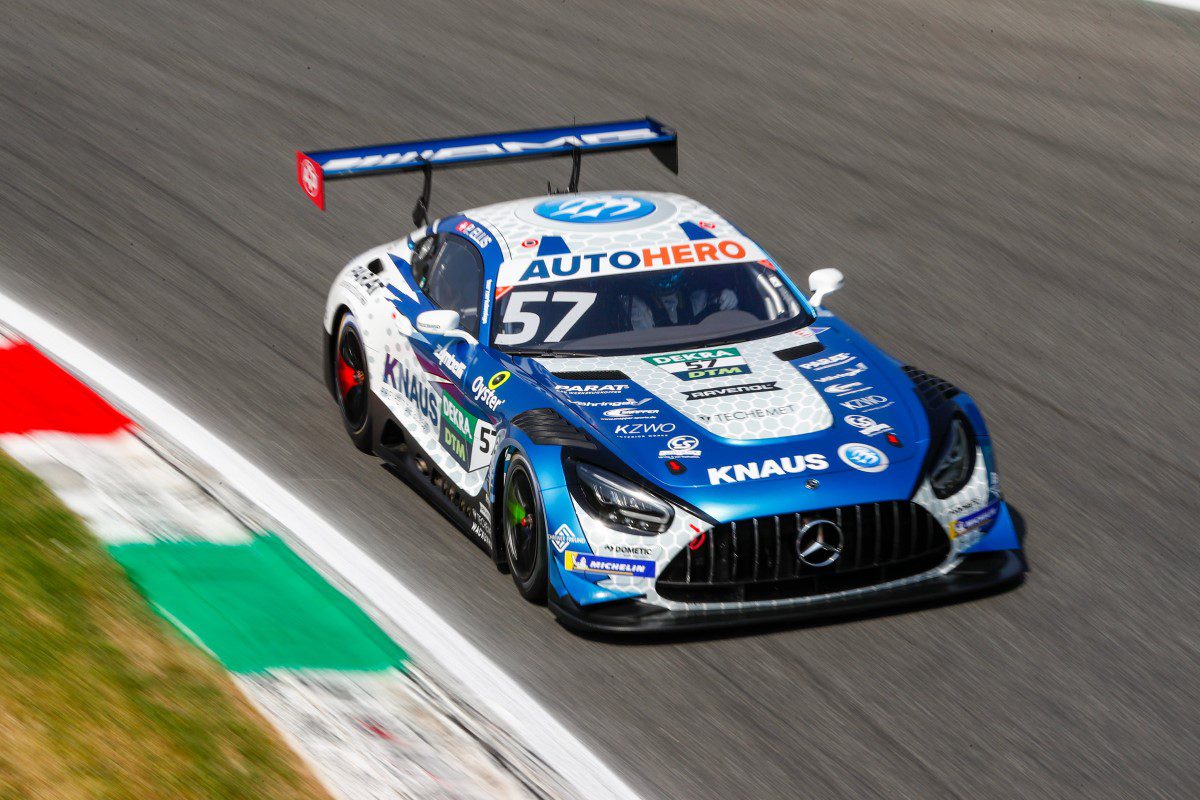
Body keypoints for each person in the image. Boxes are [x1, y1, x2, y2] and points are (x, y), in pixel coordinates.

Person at [628, 270, 738, 330]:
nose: (666, 279)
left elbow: (734, 320)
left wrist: (728, 300)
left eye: (671, 271)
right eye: (659, 273)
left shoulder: (698, 297)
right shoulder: (631, 305)